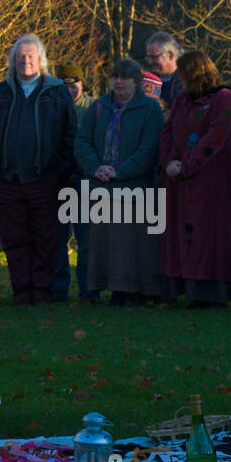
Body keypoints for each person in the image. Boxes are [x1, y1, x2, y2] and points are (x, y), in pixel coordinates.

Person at [0, 35, 77, 305]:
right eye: (20, 57)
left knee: (46, 238)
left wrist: (61, 172)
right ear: (13, 61)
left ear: (41, 61)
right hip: (7, 179)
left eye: (31, 57)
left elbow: (70, 135)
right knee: (14, 238)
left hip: (45, 179)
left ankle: (43, 291)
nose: (25, 61)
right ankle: (21, 291)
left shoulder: (57, 93)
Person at [75, 58, 164, 306]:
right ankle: (112, 289)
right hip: (101, 187)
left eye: (124, 77)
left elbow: (149, 149)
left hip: (136, 188)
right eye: (115, 77)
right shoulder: (99, 106)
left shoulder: (150, 109)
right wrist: (96, 168)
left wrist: (120, 171)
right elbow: (82, 141)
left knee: (135, 246)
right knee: (104, 245)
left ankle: (137, 291)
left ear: (136, 81)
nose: (118, 82)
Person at [158, 51, 231, 307]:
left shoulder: (223, 98)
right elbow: (168, 131)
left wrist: (186, 165)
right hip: (180, 181)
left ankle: (211, 293)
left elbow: (216, 137)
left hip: (210, 182)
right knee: (181, 235)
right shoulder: (183, 99)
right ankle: (183, 286)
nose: (180, 81)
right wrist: (170, 162)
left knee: (210, 234)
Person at [51, 61, 96, 303]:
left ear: (82, 83)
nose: (71, 90)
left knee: (86, 238)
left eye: (75, 84)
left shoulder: (94, 107)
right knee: (58, 238)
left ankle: (88, 290)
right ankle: (59, 289)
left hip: (86, 179)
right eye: (65, 85)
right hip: (60, 179)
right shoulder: (52, 107)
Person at [145, 33, 183, 108]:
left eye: (154, 57)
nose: (150, 62)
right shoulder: (147, 82)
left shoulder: (186, 82)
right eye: (148, 57)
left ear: (170, 55)